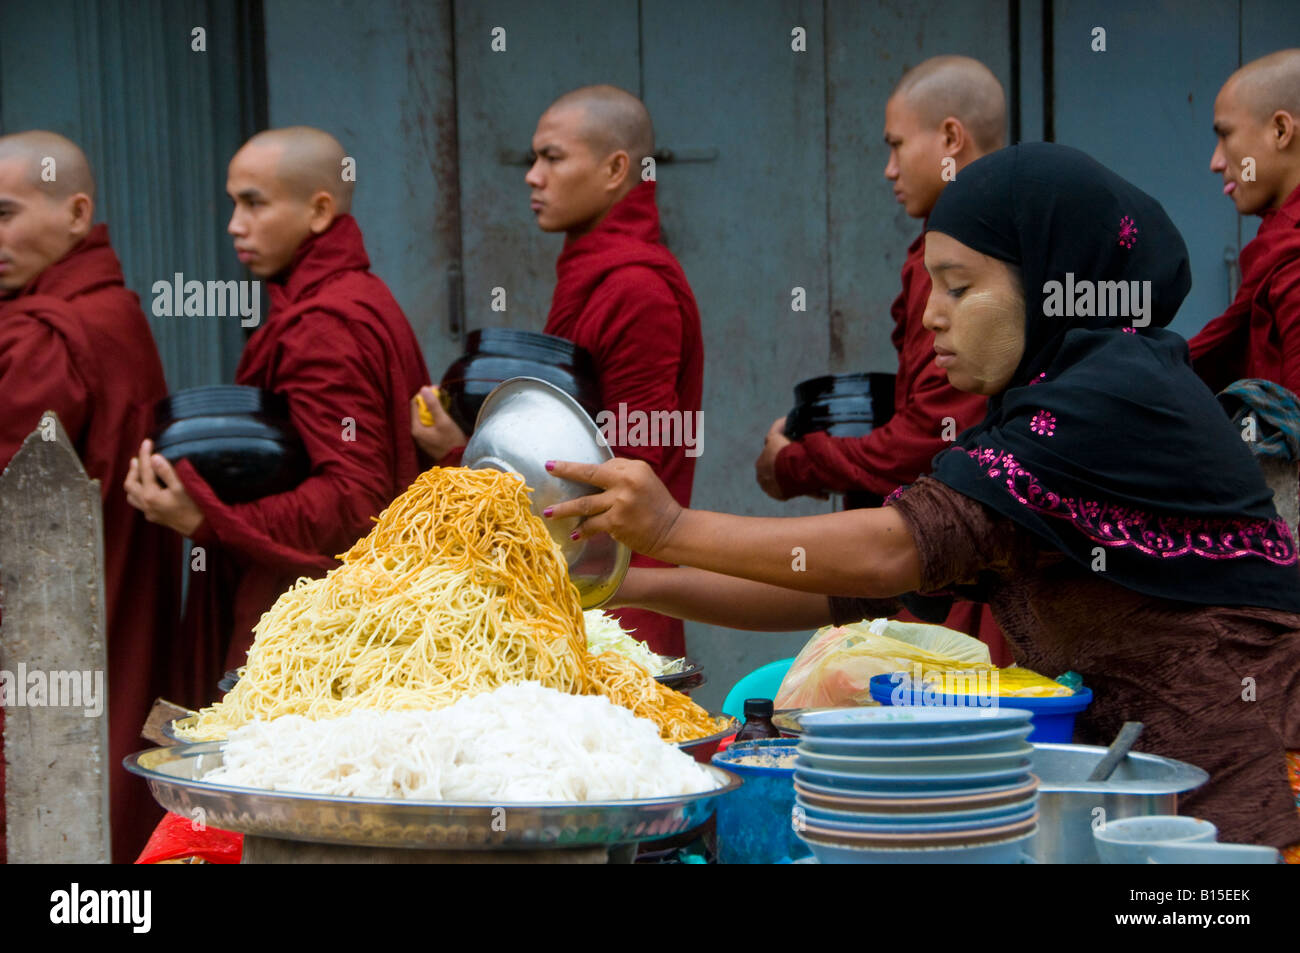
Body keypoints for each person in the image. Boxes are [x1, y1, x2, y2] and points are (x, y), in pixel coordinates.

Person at [546, 143, 1300, 855]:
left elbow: (890, 549)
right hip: (1148, 794)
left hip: (1246, 794)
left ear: (1049, 283)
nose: (935, 312)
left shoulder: (1111, 396)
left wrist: (672, 525)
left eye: (962, 286)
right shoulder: (1037, 409)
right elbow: (831, 584)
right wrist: (608, 581)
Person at [126, 126, 429, 698]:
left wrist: (203, 518)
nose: (235, 224)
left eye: (254, 203)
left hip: (314, 627)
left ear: (318, 210)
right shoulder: (353, 297)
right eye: (233, 203)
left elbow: (354, 501)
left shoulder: (325, 326)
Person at [413, 86, 703, 658]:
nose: (532, 175)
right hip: (574, 576)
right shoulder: (596, 271)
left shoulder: (635, 288)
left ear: (616, 168)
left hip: (618, 590)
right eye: (532, 158)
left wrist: (462, 450)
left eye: (552, 157)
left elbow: (634, 467)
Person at [754, 55, 1011, 663]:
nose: (890, 169)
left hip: (983, 554)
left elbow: (932, 437)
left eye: (898, 146)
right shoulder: (967, 243)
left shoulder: (980, 248)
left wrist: (799, 463)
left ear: (950, 137)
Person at [0, 130, 179, 862]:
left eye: (5, 213)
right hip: (104, 596)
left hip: (55, 612)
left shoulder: (53, 332)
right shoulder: (108, 311)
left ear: (77, 214)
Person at [1189, 48, 1300, 395]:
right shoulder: (1278, 246)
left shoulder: (1293, 266)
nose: (1216, 162)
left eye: (1226, 135)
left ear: (1280, 131)